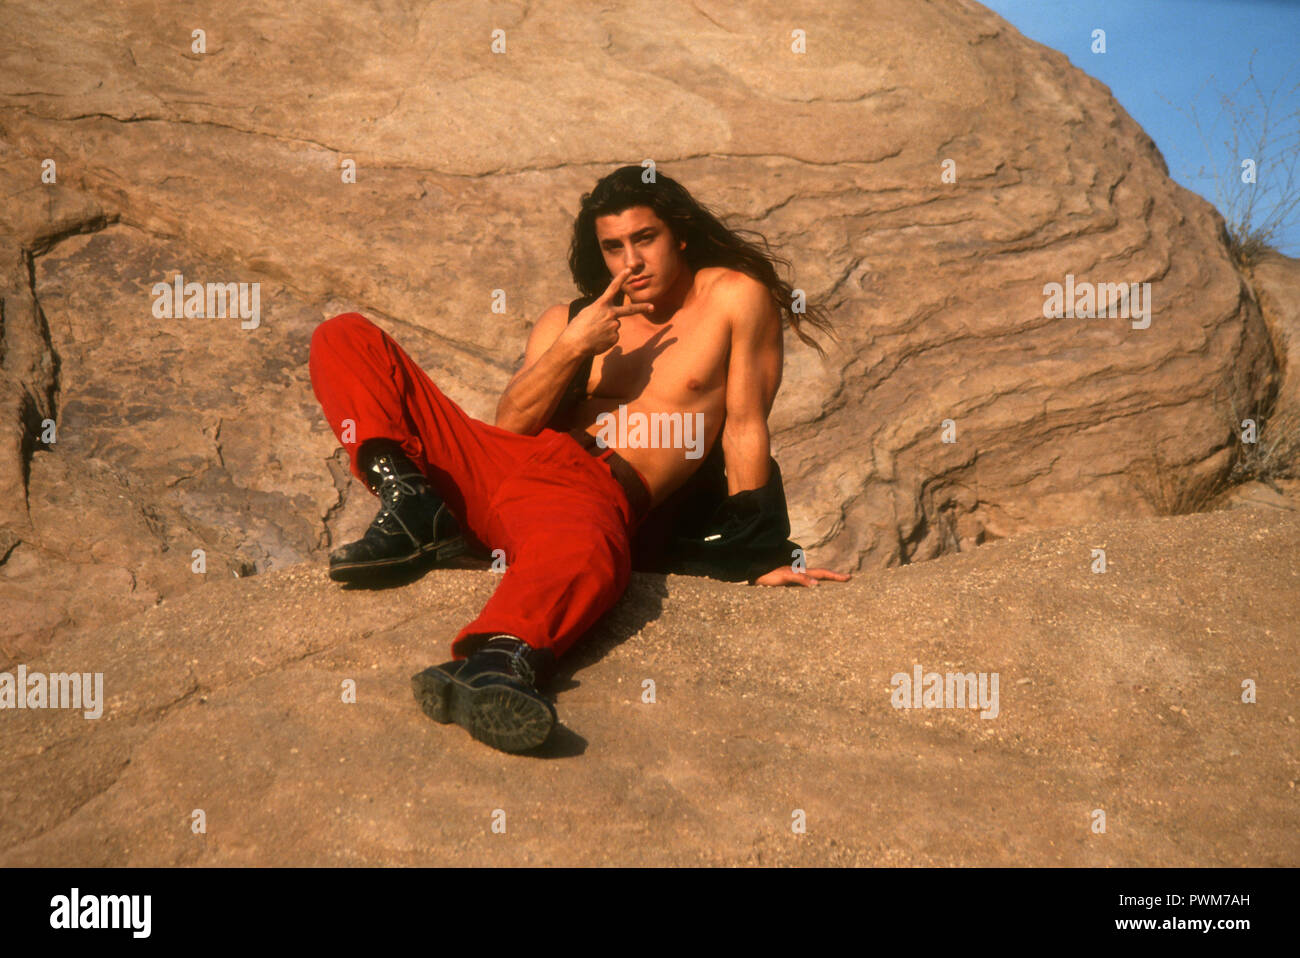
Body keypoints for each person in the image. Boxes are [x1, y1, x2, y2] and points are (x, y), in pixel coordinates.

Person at [308, 166, 849, 754]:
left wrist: (762, 555)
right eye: (614, 248)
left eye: (645, 239)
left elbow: (744, 428)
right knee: (344, 336)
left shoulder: (731, 298)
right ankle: (410, 500)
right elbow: (509, 426)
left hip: (590, 489)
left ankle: (498, 662)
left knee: (582, 546)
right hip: (508, 467)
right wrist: (571, 348)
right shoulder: (568, 321)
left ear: (681, 235)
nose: (630, 262)